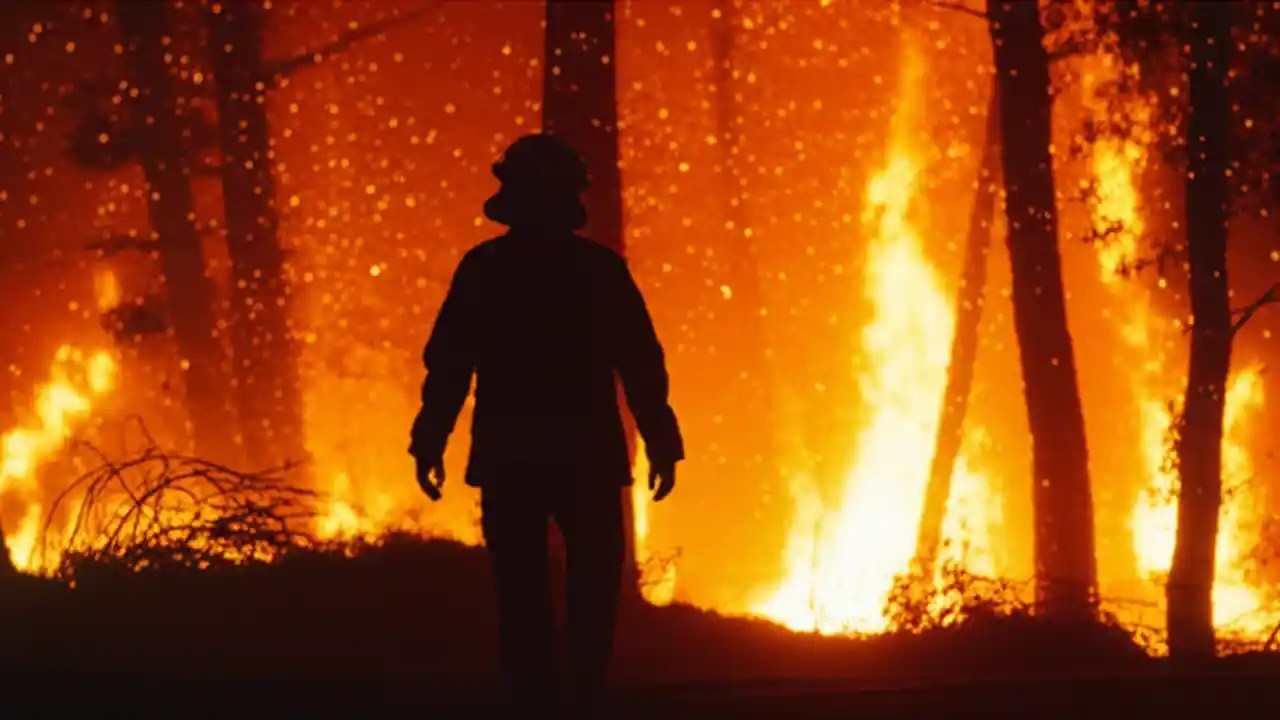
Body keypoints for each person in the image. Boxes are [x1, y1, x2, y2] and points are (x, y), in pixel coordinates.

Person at [408, 133, 683, 715]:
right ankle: (582, 692)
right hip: (585, 453)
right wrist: (660, 437)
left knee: (521, 588)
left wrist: (431, 437)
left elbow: (450, 362)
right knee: (592, 582)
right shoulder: (598, 270)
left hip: (512, 453)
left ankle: (532, 696)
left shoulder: (485, 268)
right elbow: (640, 360)